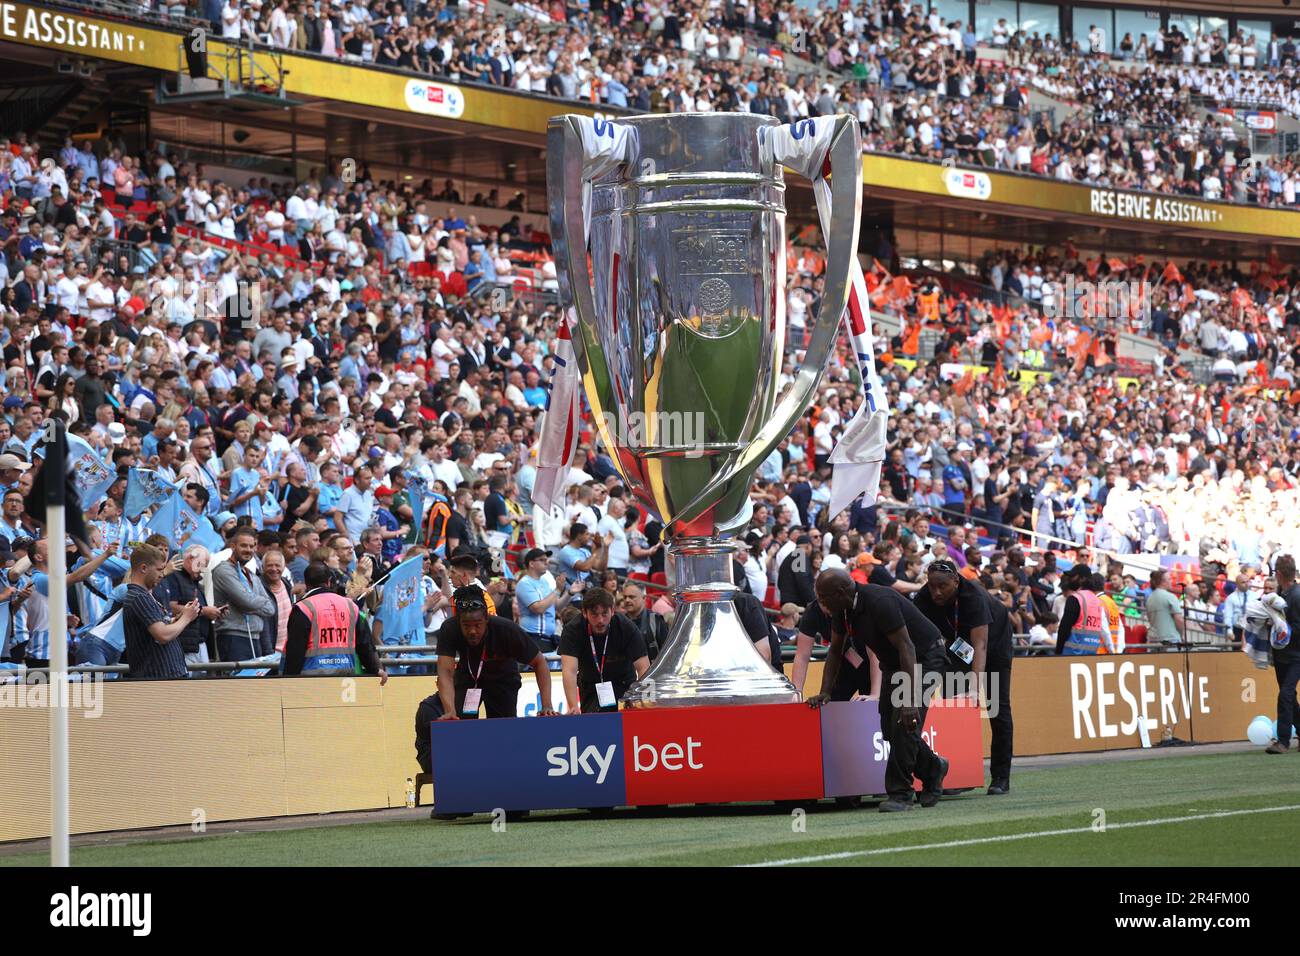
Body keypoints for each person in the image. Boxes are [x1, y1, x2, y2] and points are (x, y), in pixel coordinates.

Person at [807, 569, 948, 812]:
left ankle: (900, 795)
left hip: (924, 659)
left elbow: (907, 648)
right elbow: (835, 651)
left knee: (906, 722)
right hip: (894, 664)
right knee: (889, 730)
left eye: (823, 597)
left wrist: (910, 700)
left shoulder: (880, 601)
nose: (820, 603)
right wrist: (825, 691)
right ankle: (934, 768)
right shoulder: (842, 611)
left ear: (840, 593)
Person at [913, 559, 1015, 794]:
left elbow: (980, 645)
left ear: (956, 581)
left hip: (994, 645)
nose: (936, 592)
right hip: (958, 650)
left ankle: (1001, 777)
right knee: (954, 707)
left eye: (943, 586)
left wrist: (974, 687)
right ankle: (958, 776)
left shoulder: (974, 597)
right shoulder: (923, 598)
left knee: (997, 708)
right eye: (932, 586)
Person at [435, 585, 556, 718]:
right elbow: (445, 672)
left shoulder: (506, 629)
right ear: (458, 622)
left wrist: (547, 705)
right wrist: (449, 710)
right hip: (469, 679)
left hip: (503, 679)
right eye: (466, 626)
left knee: (502, 732)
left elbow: (539, 662)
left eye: (477, 624)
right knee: (461, 723)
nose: (472, 631)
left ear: (486, 619)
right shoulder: (449, 628)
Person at [282, 560, 385, 678]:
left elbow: (295, 651)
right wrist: (376, 669)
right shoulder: (350, 606)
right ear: (329, 582)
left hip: (311, 680)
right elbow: (365, 644)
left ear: (307, 583)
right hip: (345, 678)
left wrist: (288, 679)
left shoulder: (303, 608)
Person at [558, 586, 649, 713]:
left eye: (604, 614)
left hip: (624, 685)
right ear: (585, 613)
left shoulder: (626, 627)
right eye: (594, 615)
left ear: (612, 611)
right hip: (590, 686)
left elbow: (643, 667)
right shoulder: (572, 630)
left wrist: (645, 701)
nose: (600, 620)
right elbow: (569, 671)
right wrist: (573, 706)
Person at [122, 543, 198, 680]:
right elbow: (162, 635)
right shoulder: (139, 597)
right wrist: (186, 618)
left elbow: (158, 628)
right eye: (159, 570)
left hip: (164, 676)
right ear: (144, 568)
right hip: (159, 678)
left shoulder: (144, 595)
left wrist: (180, 618)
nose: (162, 575)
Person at [211, 525, 276, 661]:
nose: (248, 550)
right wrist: (253, 603)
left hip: (255, 636)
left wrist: (252, 603)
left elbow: (271, 608)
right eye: (244, 546)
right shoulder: (224, 570)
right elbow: (247, 601)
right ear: (233, 546)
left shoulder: (251, 575)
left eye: (252, 546)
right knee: (238, 681)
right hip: (234, 637)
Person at [156, 543, 225, 670]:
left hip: (198, 643)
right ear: (191, 559)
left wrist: (213, 612)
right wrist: (204, 611)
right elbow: (171, 607)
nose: (203, 569)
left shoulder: (194, 581)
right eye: (201, 565)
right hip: (184, 644)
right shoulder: (174, 577)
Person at [1267, 554, 1300, 754]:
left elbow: (1297, 627)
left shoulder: (1296, 596)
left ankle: (1283, 741)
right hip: (1283, 655)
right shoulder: (1282, 593)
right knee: (1290, 697)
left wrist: (1282, 627)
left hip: (1296, 655)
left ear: (1278, 574)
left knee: (1285, 694)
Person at [515, 546, 573, 651]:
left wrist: (570, 592)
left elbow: (557, 606)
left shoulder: (545, 582)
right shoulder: (524, 583)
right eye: (542, 560)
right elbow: (538, 608)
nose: (547, 563)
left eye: (547, 560)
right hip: (532, 637)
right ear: (531, 564)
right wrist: (557, 591)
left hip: (547, 639)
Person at [619, 579, 667, 661]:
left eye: (631, 597)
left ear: (644, 598)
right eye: (625, 597)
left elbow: (666, 653)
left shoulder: (656, 620)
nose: (627, 600)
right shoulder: (619, 621)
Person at [1143, 569, 1185, 647]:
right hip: (1170, 639)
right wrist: (1181, 634)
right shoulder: (1170, 597)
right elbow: (1179, 619)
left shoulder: (1150, 598)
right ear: (1162, 581)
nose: (1171, 581)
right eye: (1169, 579)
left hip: (1153, 639)